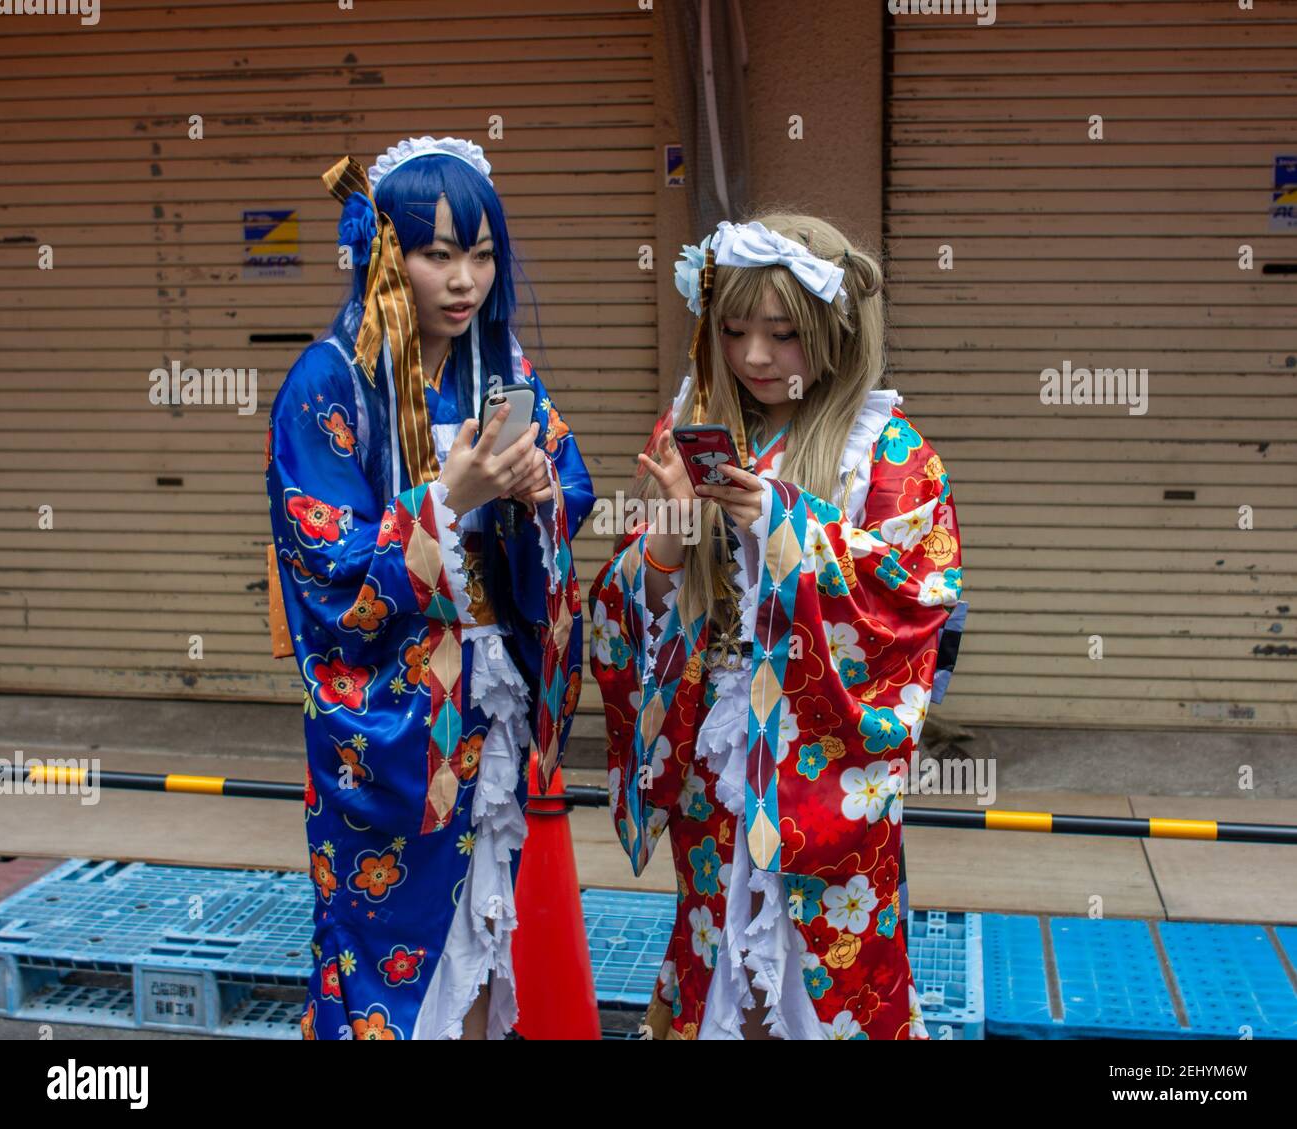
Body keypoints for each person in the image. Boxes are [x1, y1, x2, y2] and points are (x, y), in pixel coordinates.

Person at [589, 214, 966, 1039]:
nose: (755, 356)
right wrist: (665, 543)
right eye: (732, 330)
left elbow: (919, 602)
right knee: (717, 956)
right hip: (714, 767)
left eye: (784, 333)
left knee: (822, 974)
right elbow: (621, 618)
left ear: (835, 329)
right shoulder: (686, 436)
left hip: (820, 772)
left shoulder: (893, 453)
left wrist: (787, 524)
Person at [264, 136, 593, 1040]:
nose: (465, 281)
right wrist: (450, 497)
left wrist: (531, 497)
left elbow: (571, 484)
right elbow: (328, 573)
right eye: (437, 252)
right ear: (384, 254)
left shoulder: (504, 368)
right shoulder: (326, 384)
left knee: (486, 929)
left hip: (489, 711)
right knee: (381, 949)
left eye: (482, 254)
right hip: (392, 728)